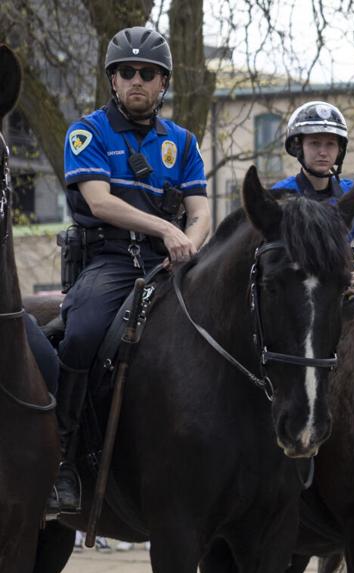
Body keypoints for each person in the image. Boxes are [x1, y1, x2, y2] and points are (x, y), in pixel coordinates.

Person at [50, 26, 210, 517]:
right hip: (112, 260)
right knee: (81, 334)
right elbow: (100, 202)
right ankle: (64, 460)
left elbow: (201, 211)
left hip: (173, 262)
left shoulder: (181, 142)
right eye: (126, 72)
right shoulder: (87, 131)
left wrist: (188, 242)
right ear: (113, 81)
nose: (136, 80)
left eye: (147, 73)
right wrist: (166, 227)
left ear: (163, 83)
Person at [271, 101, 354, 272]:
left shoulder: (352, 193)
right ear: (298, 147)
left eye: (330, 144)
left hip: (345, 291)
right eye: (314, 143)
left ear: (340, 150)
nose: (323, 152)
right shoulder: (280, 195)